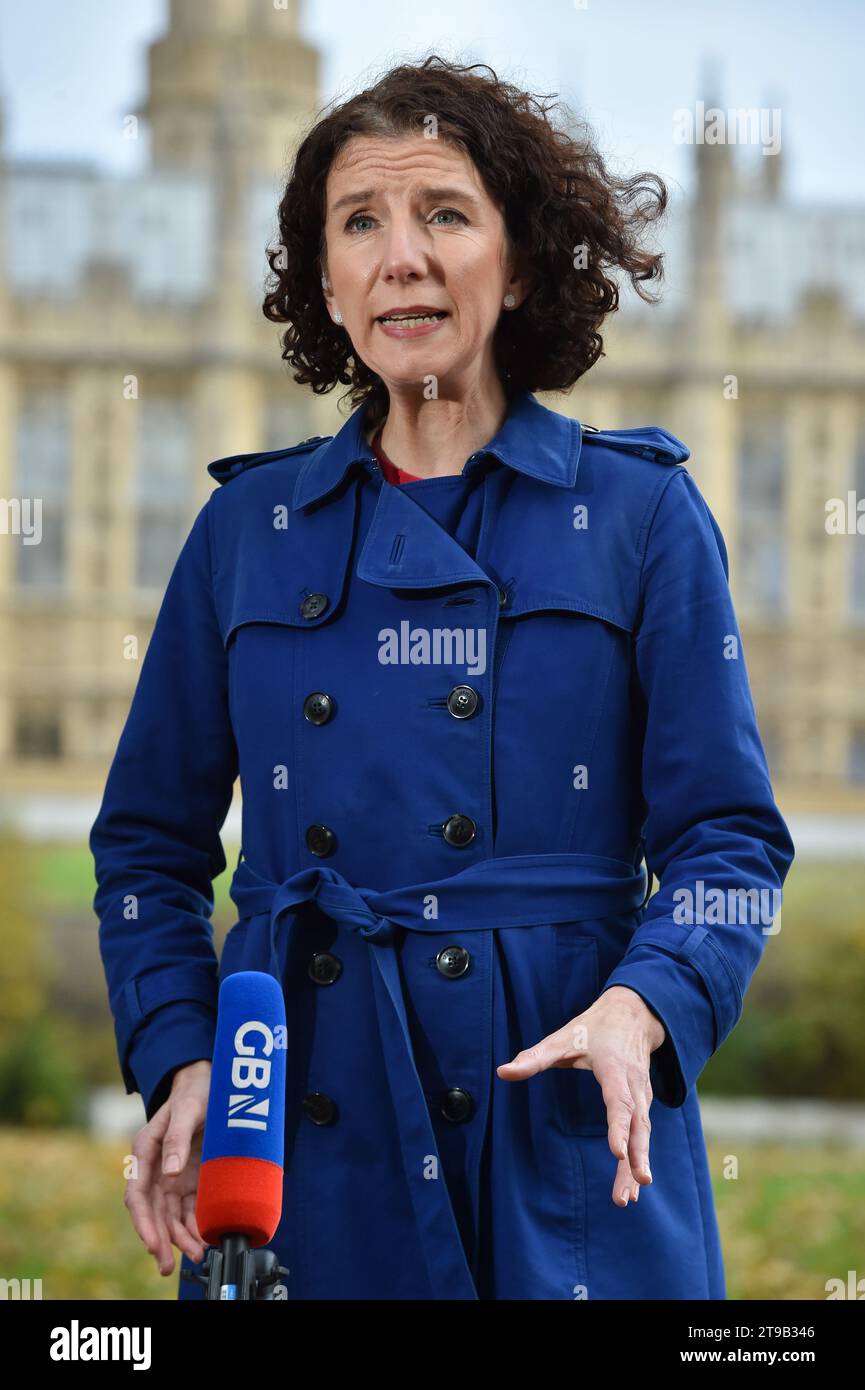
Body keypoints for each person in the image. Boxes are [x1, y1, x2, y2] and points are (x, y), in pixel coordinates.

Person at [90, 55, 795, 1301]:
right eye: (358, 222)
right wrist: (185, 1056)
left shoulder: (641, 515)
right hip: (305, 1118)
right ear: (326, 277)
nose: (398, 256)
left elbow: (728, 845)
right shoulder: (249, 528)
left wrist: (645, 1006)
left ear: (520, 262)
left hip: (554, 1119)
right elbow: (147, 844)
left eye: (444, 215)